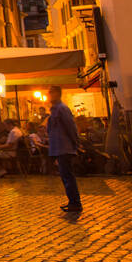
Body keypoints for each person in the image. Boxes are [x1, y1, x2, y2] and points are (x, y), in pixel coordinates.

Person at [46, 85, 83, 213]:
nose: (48, 95)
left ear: (57, 93)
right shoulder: (55, 110)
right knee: (65, 175)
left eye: (51, 92)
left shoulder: (62, 109)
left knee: (68, 176)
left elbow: (70, 127)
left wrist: (76, 143)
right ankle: (72, 201)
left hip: (64, 147)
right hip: (59, 147)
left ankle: (75, 203)